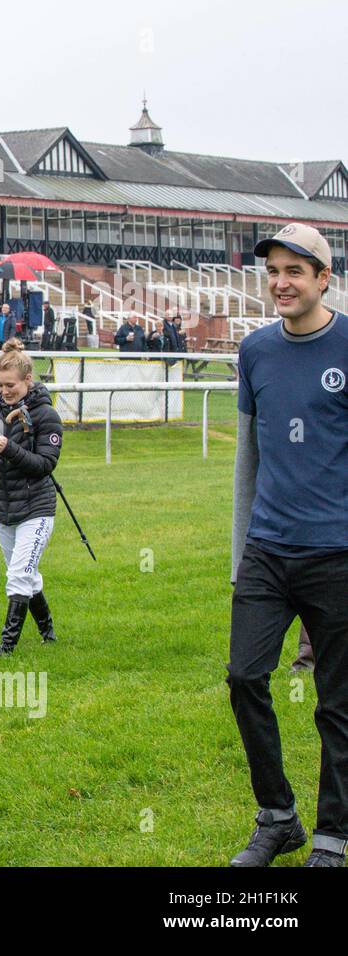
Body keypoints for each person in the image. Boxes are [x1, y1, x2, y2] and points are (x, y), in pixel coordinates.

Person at [225, 223, 348, 869]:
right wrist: (240, 556)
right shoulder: (255, 350)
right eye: (273, 270)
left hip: (337, 554)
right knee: (245, 676)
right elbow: (248, 460)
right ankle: (278, 817)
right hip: (268, 551)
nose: (281, 282)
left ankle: (332, 835)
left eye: (296, 271)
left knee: (338, 702)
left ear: (324, 279)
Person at [0, 339, 64, 658]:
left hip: (37, 508)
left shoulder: (47, 414)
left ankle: (6, 647)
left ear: (28, 380)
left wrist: (8, 448)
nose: (4, 391)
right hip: (2, 509)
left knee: (18, 574)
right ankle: (47, 629)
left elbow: (45, 466)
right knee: (25, 573)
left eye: (10, 385)